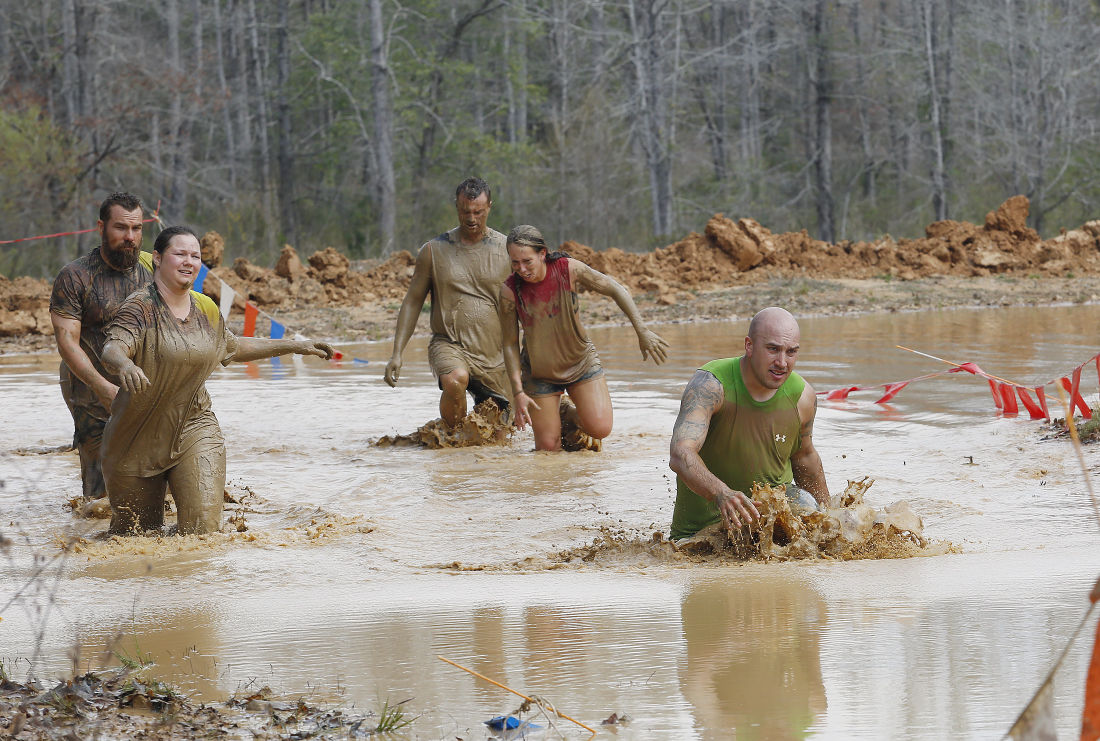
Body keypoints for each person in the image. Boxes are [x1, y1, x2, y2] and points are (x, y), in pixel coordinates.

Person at [99, 226, 333, 535]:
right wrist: (124, 364)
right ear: (157, 258)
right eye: (180, 254)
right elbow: (112, 347)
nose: (189, 262)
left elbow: (233, 347)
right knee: (136, 539)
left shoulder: (206, 309)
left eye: (195, 256)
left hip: (195, 428)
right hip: (135, 436)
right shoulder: (140, 307)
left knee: (202, 534)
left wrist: (294, 345)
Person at [498, 225, 668, 451]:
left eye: (527, 261)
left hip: (580, 363)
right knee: (548, 450)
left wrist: (642, 330)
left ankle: (565, 414)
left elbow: (615, 289)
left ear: (542, 254)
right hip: (540, 373)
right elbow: (509, 343)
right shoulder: (510, 290)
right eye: (515, 263)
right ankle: (552, 414)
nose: (521, 269)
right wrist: (518, 392)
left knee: (600, 429)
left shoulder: (568, 269)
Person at [668, 307, 829, 539]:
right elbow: (680, 453)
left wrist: (830, 521)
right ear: (749, 346)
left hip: (769, 533)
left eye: (791, 352)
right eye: (773, 349)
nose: (782, 362)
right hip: (700, 536)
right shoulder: (710, 385)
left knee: (805, 504)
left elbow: (805, 458)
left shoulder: (803, 397)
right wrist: (720, 493)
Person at [384, 177, 511, 426]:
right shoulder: (433, 250)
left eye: (478, 212)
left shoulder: (507, 249)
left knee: (497, 435)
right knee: (455, 379)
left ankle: (456, 457)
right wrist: (397, 353)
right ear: (456, 206)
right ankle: (453, 434)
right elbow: (412, 302)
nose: (471, 218)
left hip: (495, 355)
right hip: (450, 344)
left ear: (489, 208)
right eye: (465, 211)